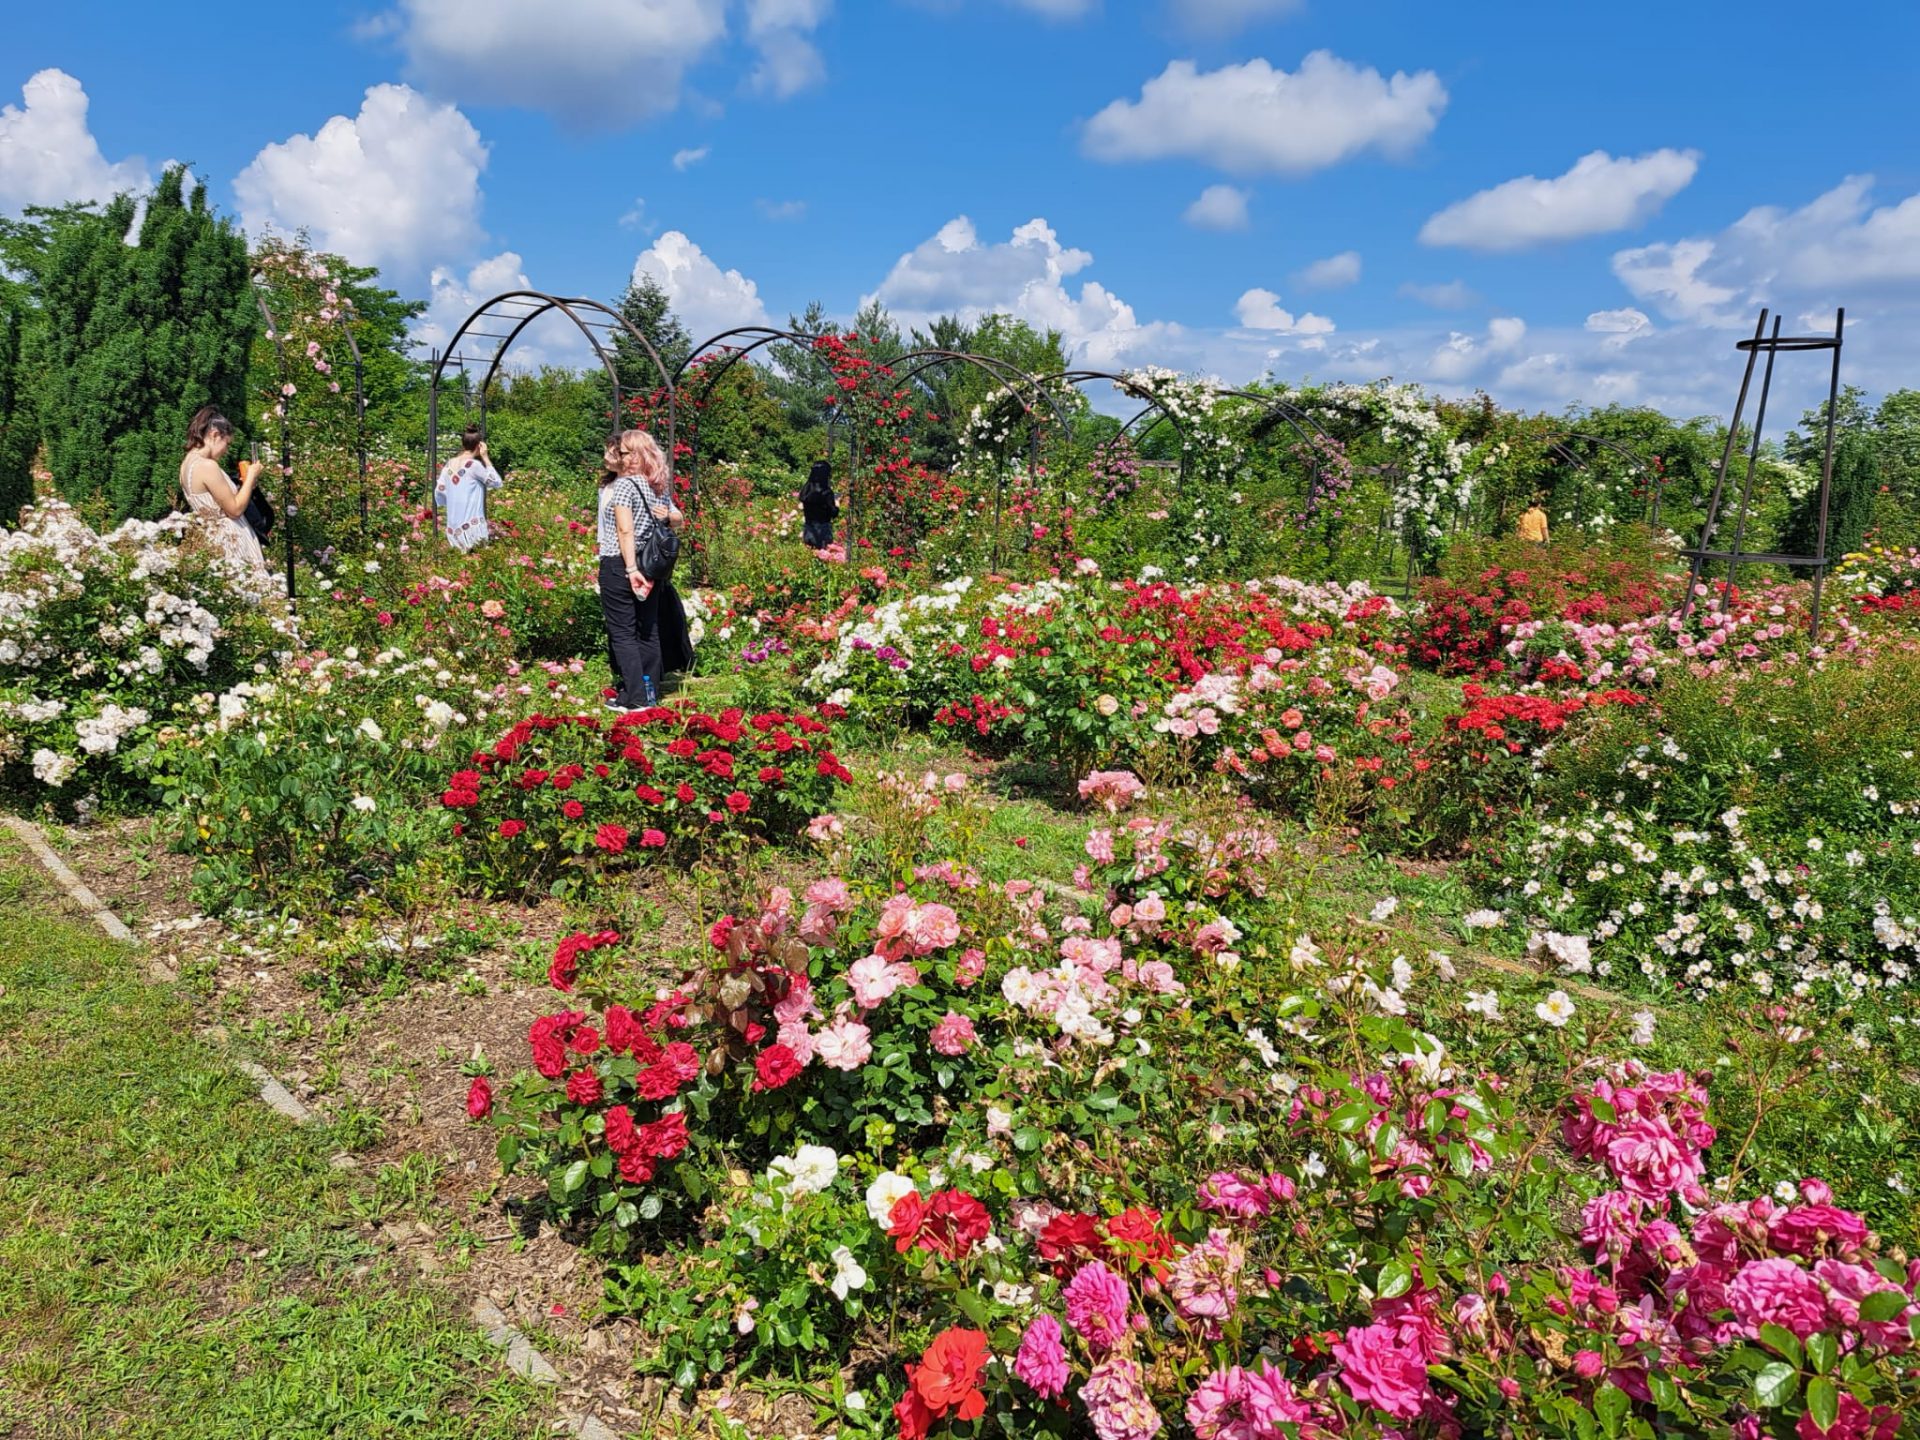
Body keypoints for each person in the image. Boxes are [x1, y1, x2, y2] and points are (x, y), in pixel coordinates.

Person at [596, 428, 691, 711]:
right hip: (652, 566)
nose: (620, 457)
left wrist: (629, 568)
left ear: (635, 456)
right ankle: (648, 694)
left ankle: (634, 698)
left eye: (623, 452)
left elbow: (625, 529)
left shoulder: (625, 486)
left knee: (623, 632)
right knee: (647, 630)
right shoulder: (657, 486)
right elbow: (675, 519)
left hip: (621, 563)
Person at [179, 405, 269, 575]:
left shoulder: (187, 463)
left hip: (213, 535)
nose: (226, 450)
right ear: (214, 435)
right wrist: (250, 477)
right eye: (226, 443)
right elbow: (234, 509)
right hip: (231, 541)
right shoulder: (207, 466)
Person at [434, 426, 504, 551]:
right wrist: (486, 457)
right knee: (475, 560)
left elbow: (439, 490)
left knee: (457, 562)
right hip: (471, 526)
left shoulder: (449, 464)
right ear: (479, 446)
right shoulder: (473, 465)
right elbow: (496, 482)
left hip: (453, 524)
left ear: (463, 444)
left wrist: (452, 499)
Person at [799, 458, 838, 549]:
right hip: (823, 530)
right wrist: (836, 507)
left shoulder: (806, 490)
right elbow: (833, 513)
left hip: (809, 529)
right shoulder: (826, 492)